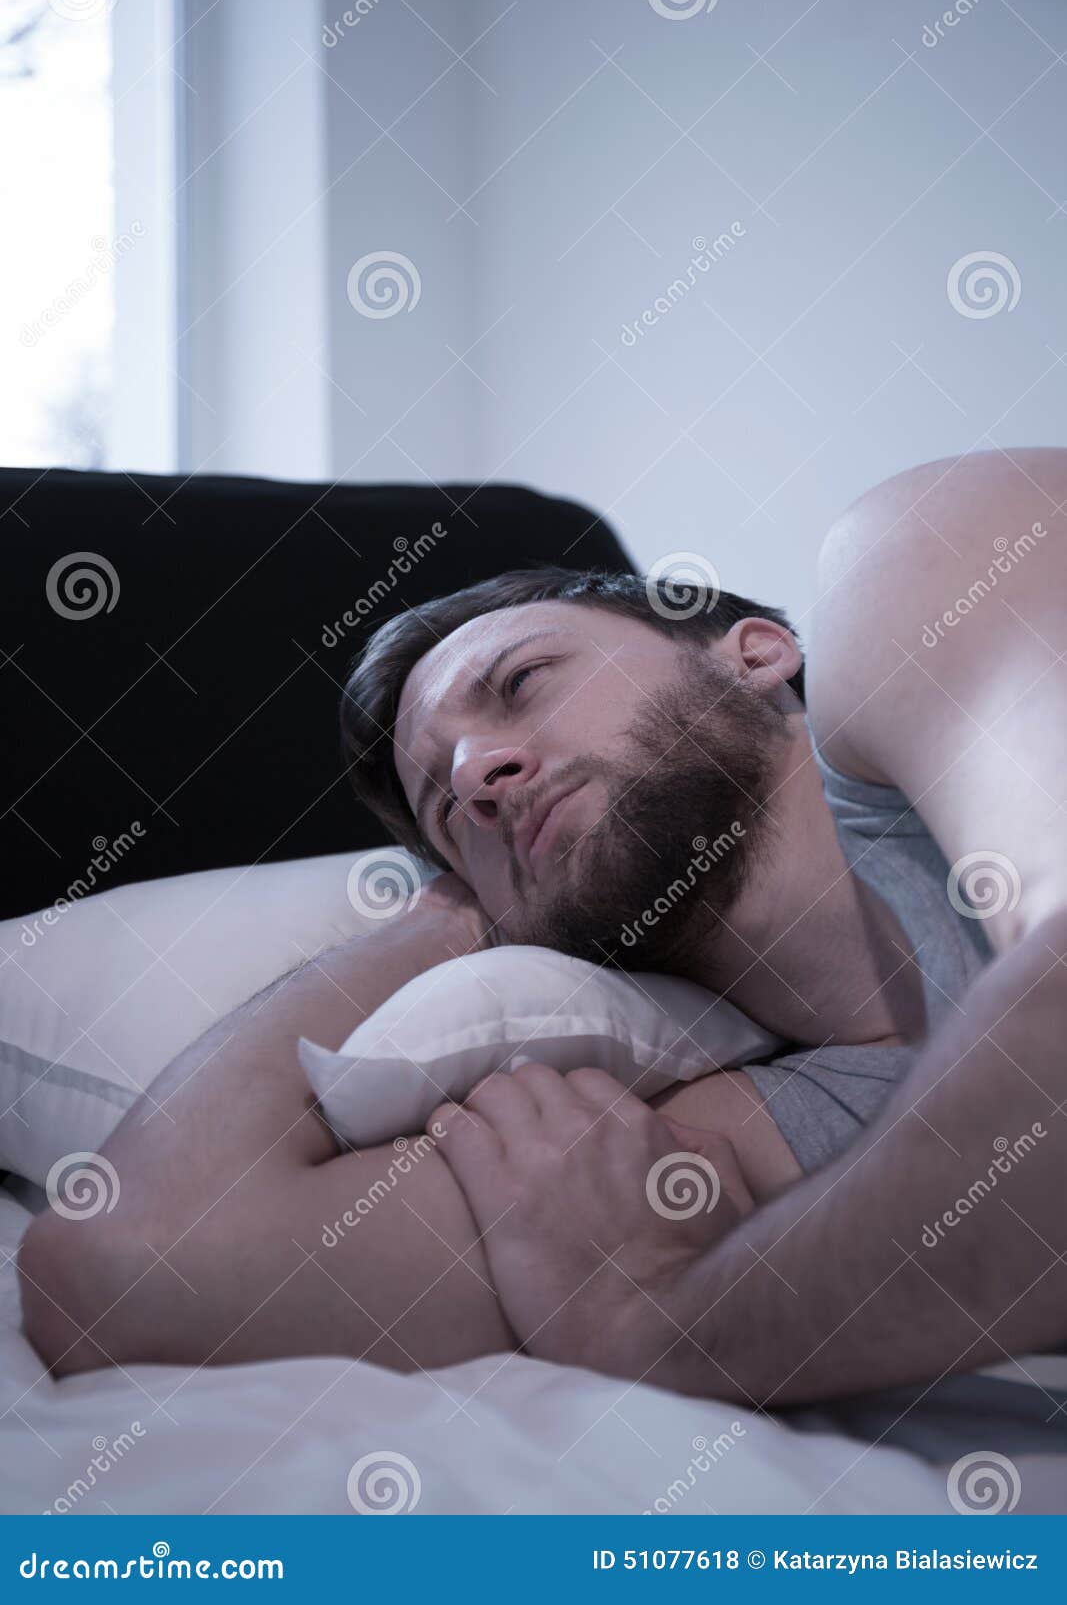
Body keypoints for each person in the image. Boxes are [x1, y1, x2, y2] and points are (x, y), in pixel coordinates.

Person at [18, 449, 1066, 1417]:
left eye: (520, 683)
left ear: (753, 651)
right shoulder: (729, 1140)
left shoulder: (920, 567)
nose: (477, 772)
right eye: (445, 810)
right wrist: (438, 929)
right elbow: (124, 1278)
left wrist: (664, 1326)